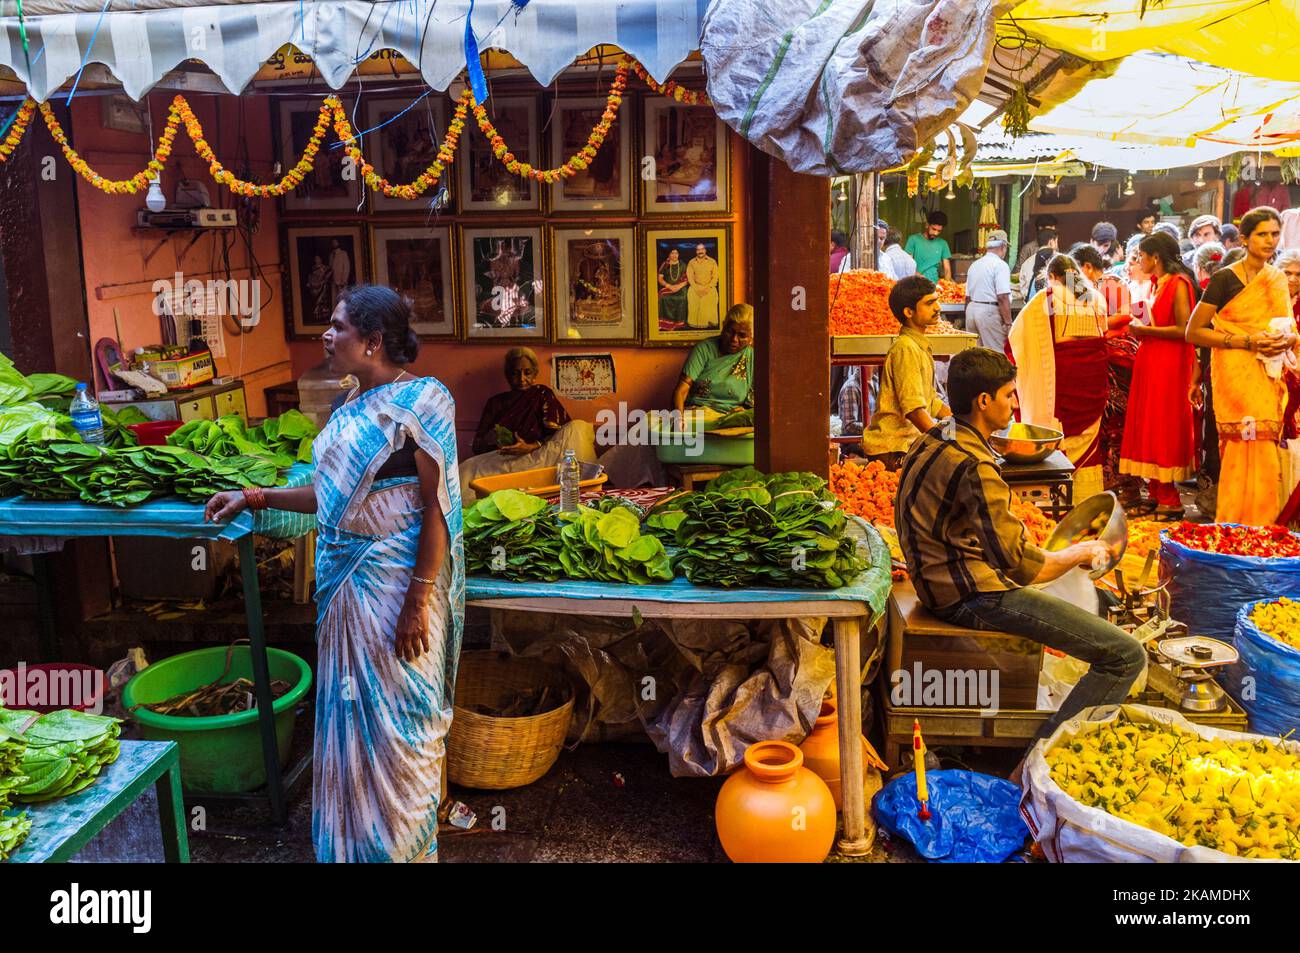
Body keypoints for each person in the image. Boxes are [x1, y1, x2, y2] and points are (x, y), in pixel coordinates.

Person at [205, 286, 460, 863]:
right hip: (348, 589)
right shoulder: (348, 411)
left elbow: (438, 506)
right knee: (351, 723)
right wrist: (254, 496)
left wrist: (418, 600)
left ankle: (403, 852)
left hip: (398, 590)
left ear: (372, 343)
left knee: (402, 728)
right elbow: (328, 494)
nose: (327, 334)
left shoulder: (424, 402)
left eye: (339, 326)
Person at [895, 347, 1145, 764]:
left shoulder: (934, 438)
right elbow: (1023, 567)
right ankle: (1045, 759)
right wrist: (1079, 551)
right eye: (1009, 395)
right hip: (968, 596)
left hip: (936, 579)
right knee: (1124, 655)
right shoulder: (976, 467)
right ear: (984, 401)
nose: (1015, 403)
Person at [1186, 207, 1298, 526]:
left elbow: (1286, 328)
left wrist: (1284, 341)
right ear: (1245, 238)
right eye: (1262, 234)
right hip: (1234, 370)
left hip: (1266, 372)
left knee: (1262, 444)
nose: (1270, 240)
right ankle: (1232, 523)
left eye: (1275, 234)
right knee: (1239, 445)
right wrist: (1246, 342)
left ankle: (1260, 527)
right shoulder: (1225, 278)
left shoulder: (1276, 279)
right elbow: (1194, 331)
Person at [1008, 253, 1109, 502]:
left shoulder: (1047, 298)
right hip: (1094, 381)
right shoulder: (1097, 298)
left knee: (1056, 434)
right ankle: (1086, 501)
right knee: (1088, 440)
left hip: (1061, 384)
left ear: (1052, 276)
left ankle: (1055, 500)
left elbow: (1016, 339)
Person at [1119, 231, 1199, 519]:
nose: (1139, 260)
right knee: (1150, 422)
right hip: (1152, 359)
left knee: (1163, 424)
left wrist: (1145, 331)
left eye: (1142, 255)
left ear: (1156, 257)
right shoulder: (1155, 284)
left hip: (1170, 362)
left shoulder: (1179, 283)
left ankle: (1170, 498)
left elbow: (1184, 329)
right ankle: (1154, 493)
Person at [460, 347, 596, 502]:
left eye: (527, 372)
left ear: (535, 373)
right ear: (508, 375)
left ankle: (581, 494)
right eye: (515, 373)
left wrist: (531, 446)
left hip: (539, 457)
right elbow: (478, 446)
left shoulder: (542, 394)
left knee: (576, 427)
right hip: (505, 460)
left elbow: (557, 434)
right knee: (467, 467)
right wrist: (492, 438)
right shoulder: (496, 403)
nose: (522, 378)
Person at [1074, 245, 1142, 507]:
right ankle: (1110, 486)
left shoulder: (1110, 282)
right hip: (1104, 357)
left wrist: (1098, 322)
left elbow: (1129, 314)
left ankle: (1127, 488)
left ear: (1088, 267)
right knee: (1105, 426)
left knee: (1117, 425)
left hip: (1117, 360)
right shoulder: (1091, 287)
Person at [858, 275, 949, 469]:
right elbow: (914, 410)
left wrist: (963, 422)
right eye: (930, 303)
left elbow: (930, 402)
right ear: (909, 311)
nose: (938, 308)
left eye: (937, 300)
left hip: (906, 444)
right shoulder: (905, 348)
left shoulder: (918, 345)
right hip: (894, 449)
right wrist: (943, 444)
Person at [672, 303, 755, 413]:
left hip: (732, 418)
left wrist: (745, 411)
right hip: (699, 413)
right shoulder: (704, 349)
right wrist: (678, 418)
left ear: (751, 337)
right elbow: (682, 390)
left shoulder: (752, 357)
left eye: (742, 335)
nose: (734, 339)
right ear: (723, 326)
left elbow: (758, 399)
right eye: (730, 331)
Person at [963, 229, 1013, 351]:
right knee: (995, 354)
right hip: (988, 312)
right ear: (1003, 246)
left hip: (972, 310)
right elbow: (1002, 297)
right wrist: (1008, 323)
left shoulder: (975, 264)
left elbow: (967, 297)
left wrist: (968, 315)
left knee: (975, 354)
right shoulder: (1000, 265)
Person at [1276, 248, 1300, 441]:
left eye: (1299, 274)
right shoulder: (1269, 299)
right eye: (1288, 273)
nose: (1293, 279)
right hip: (1274, 370)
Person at [904, 210, 952, 282]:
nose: (936, 233)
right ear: (927, 225)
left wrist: (947, 287)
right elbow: (907, 265)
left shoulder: (943, 244)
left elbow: (947, 270)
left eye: (939, 231)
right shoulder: (913, 239)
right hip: (916, 284)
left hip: (934, 286)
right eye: (933, 229)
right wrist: (918, 276)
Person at [686, 242, 720, 329]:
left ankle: (709, 323)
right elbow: (689, 276)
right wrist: (696, 288)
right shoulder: (691, 262)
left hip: (709, 287)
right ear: (696, 251)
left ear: (705, 250)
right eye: (698, 249)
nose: (700, 251)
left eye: (702, 249)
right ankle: (695, 324)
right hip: (695, 286)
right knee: (691, 294)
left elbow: (715, 276)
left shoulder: (712, 262)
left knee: (710, 297)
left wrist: (708, 287)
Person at [656, 247, 689, 328]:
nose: (674, 255)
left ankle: (679, 323)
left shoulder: (683, 264)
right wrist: (669, 286)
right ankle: (665, 322)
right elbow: (660, 278)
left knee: (682, 298)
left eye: (676, 253)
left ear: (678, 255)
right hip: (668, 287)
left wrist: (678, 287)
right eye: (672, 253)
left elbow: (687, 279)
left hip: (681, 287)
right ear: (669, 254)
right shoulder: (665, 264)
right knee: (663, 297)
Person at [1018, 227, 1058, 292]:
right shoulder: (1062, 260)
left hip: (1032, 301)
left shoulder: (1026, 263)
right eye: (1056, 242)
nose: (1057, 246)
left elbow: (1023, 289)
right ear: (1051, 242)